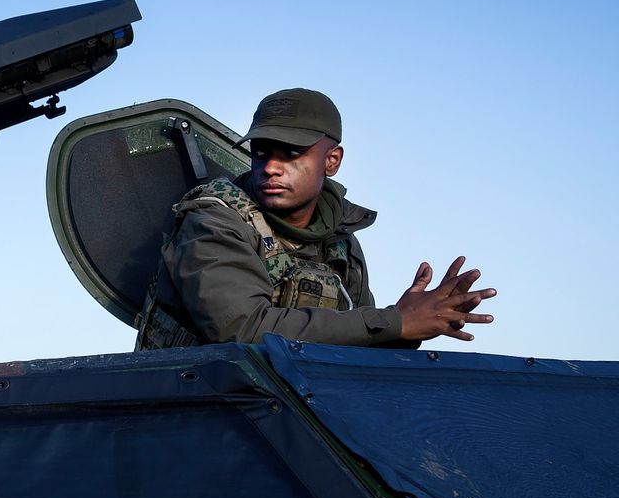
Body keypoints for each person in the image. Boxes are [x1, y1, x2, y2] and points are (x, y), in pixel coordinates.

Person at [135, 87, 497, 349]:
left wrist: (413, 326)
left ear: (332, 161)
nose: (271, 168)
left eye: (291, 154)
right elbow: (241, 329)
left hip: (287, 413)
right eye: (261, 153)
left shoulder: (340, 241)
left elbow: (356, 341)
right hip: (193, 412)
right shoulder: (215, 219)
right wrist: (396, 322)